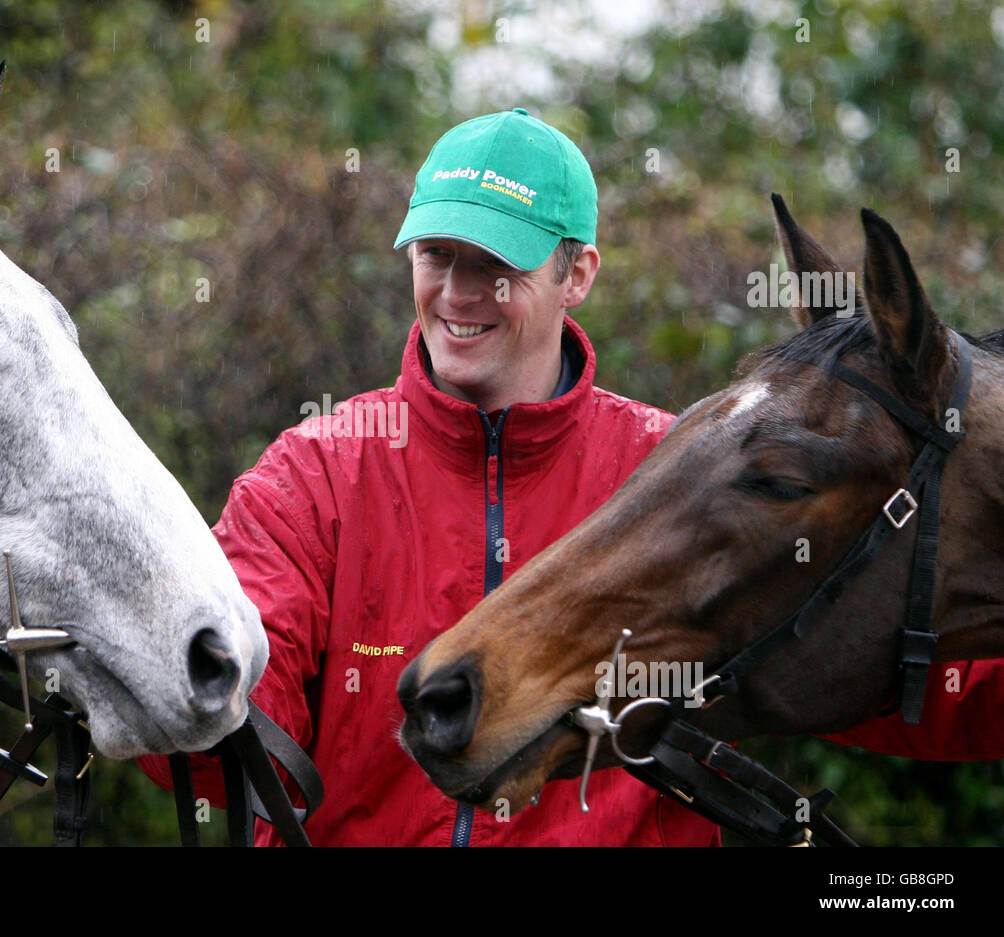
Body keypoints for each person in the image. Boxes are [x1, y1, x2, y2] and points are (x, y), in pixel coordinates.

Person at [138, 108, 1004, 845]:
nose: (458, 291)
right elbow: (232, 724)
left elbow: (899, 660)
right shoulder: (315, 476)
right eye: (437, 254)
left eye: (496, 264)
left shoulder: (684, 471)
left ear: (577, 272)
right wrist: (136, 660)